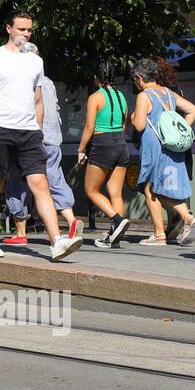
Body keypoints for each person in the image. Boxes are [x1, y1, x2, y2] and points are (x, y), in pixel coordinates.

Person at [0, 10, 82, 261]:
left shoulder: (35, 61)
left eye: (29, 30)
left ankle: (56, 242)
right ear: (8, 28)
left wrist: (39, 130)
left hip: (29, 132)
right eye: (21, 29)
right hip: (0, 128)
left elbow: (39, 100)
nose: (26, 34)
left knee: (40, 184)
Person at [2, 42, 80, 246]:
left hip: (31, 137)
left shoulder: (24, 81)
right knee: (54, 179)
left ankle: (20, 232)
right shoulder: (48, 82)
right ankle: (72, 220)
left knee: (16, 182)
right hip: (54, 139)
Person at [130, 58, 195, 246]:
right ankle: (187, 217)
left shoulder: (144, 96)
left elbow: (139, 125)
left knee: (150, 188)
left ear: (139, 78)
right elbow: (193, 110)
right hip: (171, 146)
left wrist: (132, 117)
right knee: (163, 189)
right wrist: (179, 129)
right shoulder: (168, 93)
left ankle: (159, 233)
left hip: (154, 147)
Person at [77, 61, 132, 250]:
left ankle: (117, 220)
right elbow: (124, 125)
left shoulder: (95, 97)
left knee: (91, 189)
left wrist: (81, 149)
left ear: (96, 77)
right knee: (116, 192)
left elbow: (90, 127)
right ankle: (116, 234)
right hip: (121, 144)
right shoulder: (121, 97)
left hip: (103, 144)